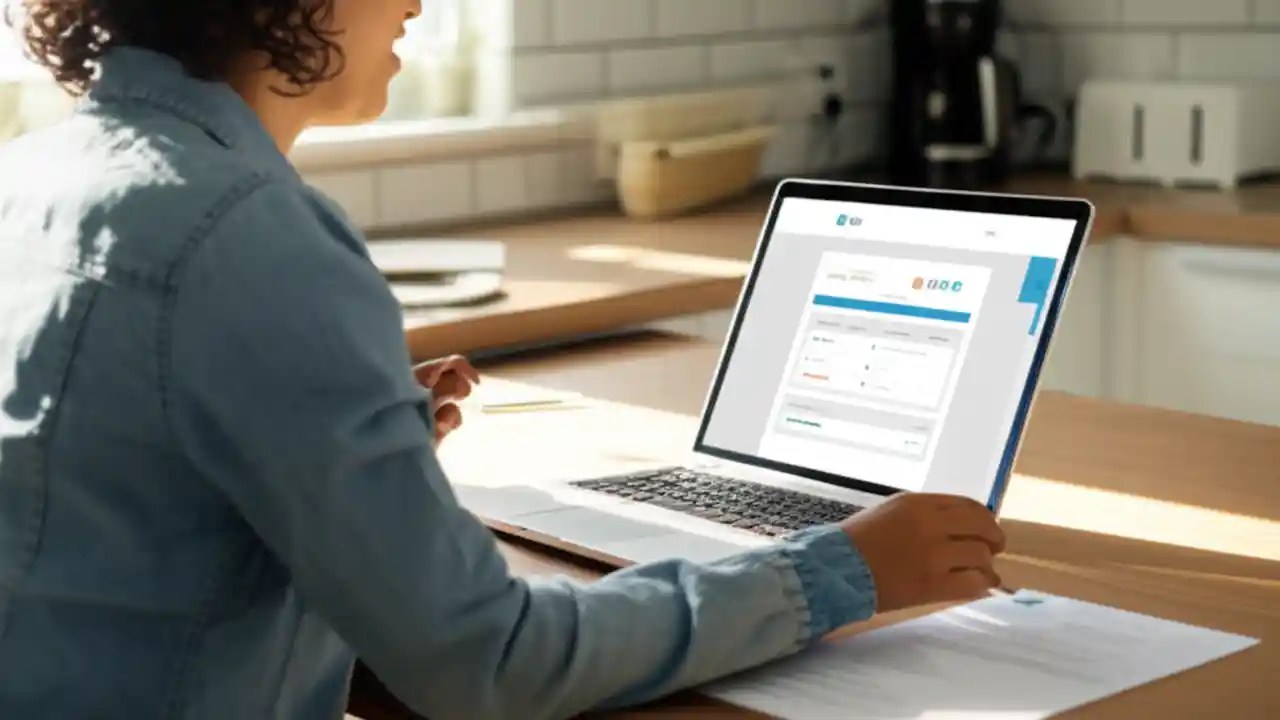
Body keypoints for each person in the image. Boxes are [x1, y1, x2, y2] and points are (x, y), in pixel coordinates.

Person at [0, 1, 1007, 718]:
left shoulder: (37, 176)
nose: (419, 6)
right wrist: (839, 571)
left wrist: (341, 439)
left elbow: (113, 494)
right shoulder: (249, 235)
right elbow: (488, 665)